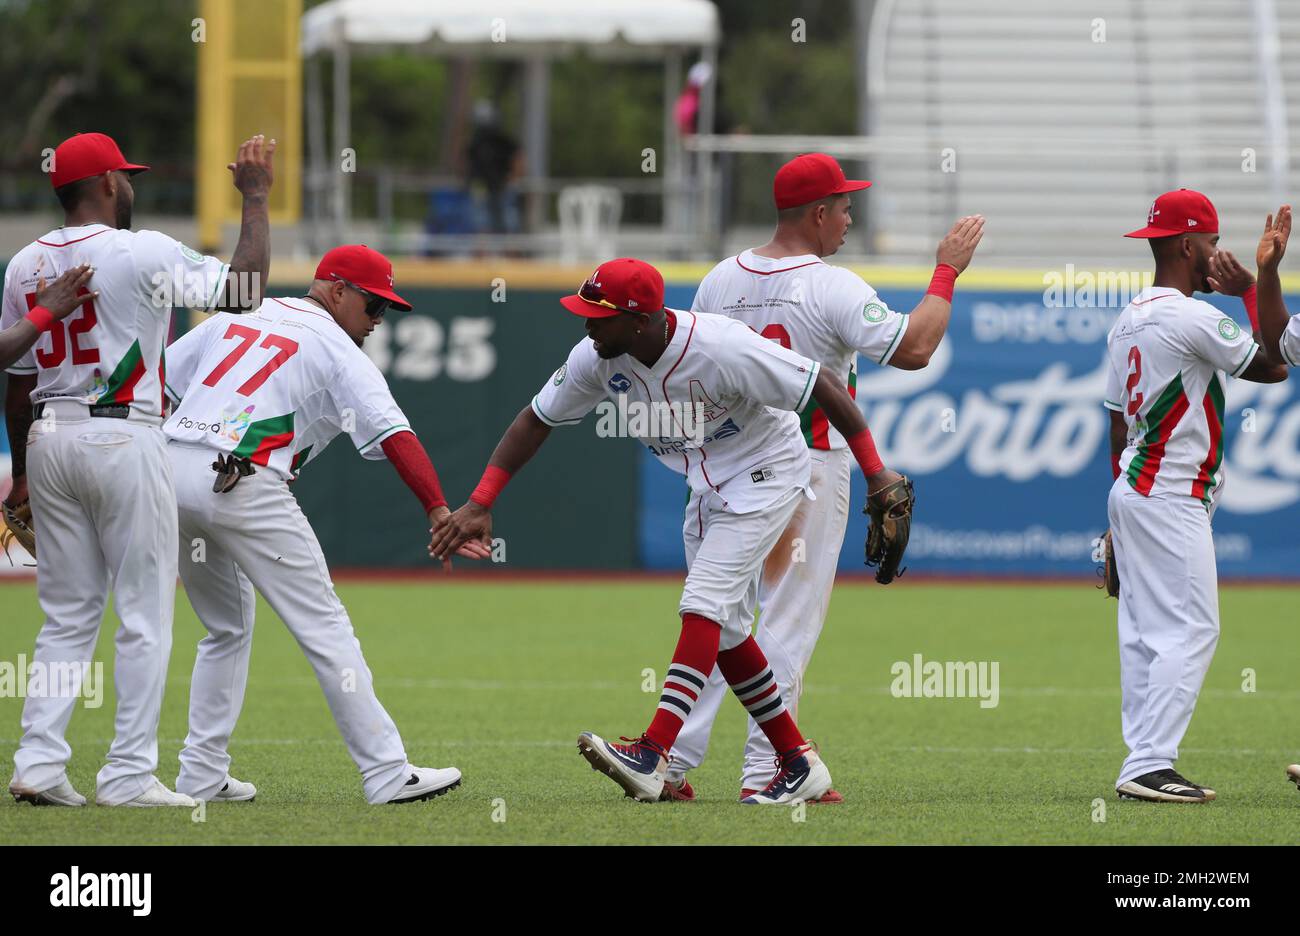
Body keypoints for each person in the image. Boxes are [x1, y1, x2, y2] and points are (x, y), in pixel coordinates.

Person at [430, 256, 907, 804]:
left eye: (597, 316)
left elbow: (823, 381)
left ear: (640, 320)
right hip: (706, 484)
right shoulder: (598, 355)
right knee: (724, 627)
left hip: (768, 473)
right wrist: (481, 500)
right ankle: (799, 762)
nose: (586, 325)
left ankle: (653, 754)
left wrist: (875, 473)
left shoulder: (720, 346)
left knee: (703, 604)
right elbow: (536, 418)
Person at [666, 152, 985, 801]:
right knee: (785, 621)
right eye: (843, 205)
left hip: (725, 471)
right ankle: (768, 771)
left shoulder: (721, 280)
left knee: (721, 617)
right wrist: (946, 272)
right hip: (806, 468)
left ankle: (668, 762)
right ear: (816, 213)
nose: (848, 216)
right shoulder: (829, 284)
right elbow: (915, 347)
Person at [4, 131, 274, 808]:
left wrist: (21, 478)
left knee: (66, 616)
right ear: (102, 185)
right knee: (145, 614)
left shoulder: (22, 264)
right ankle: (126, 773)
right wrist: (257, 198)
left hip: (47, 435)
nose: (130, 184)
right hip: (124, 434)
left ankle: (38, 763)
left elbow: (16, 376)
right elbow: (243, 291)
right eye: (123, 175)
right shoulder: (140, 248)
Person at [163, 244, 480, 805]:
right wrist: (437, 509)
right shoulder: (337, 346)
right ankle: (386, 771)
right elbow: (396, 436)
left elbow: (161, 380)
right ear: (336, 289)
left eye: (385, 309)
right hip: (241, 479)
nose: (378, 319)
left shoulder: (244, 313)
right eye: (373, 304)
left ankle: (201, 774)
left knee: (227, 629)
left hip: (172, 469)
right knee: (326, 628)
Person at [1106, 189, 1286, 803]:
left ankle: (1142, 757)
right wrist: (1246, 288)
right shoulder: (1191, 316)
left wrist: (1113, 518)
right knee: (1193, 629)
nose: (1217, 255)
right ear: (1188, 245)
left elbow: (1114, 420)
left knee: (1143, 633)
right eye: (1211, 244)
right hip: (1171, 492)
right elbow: (1274, 364)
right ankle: (1150, 763)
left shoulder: (1128, 316)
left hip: (1132, 487)